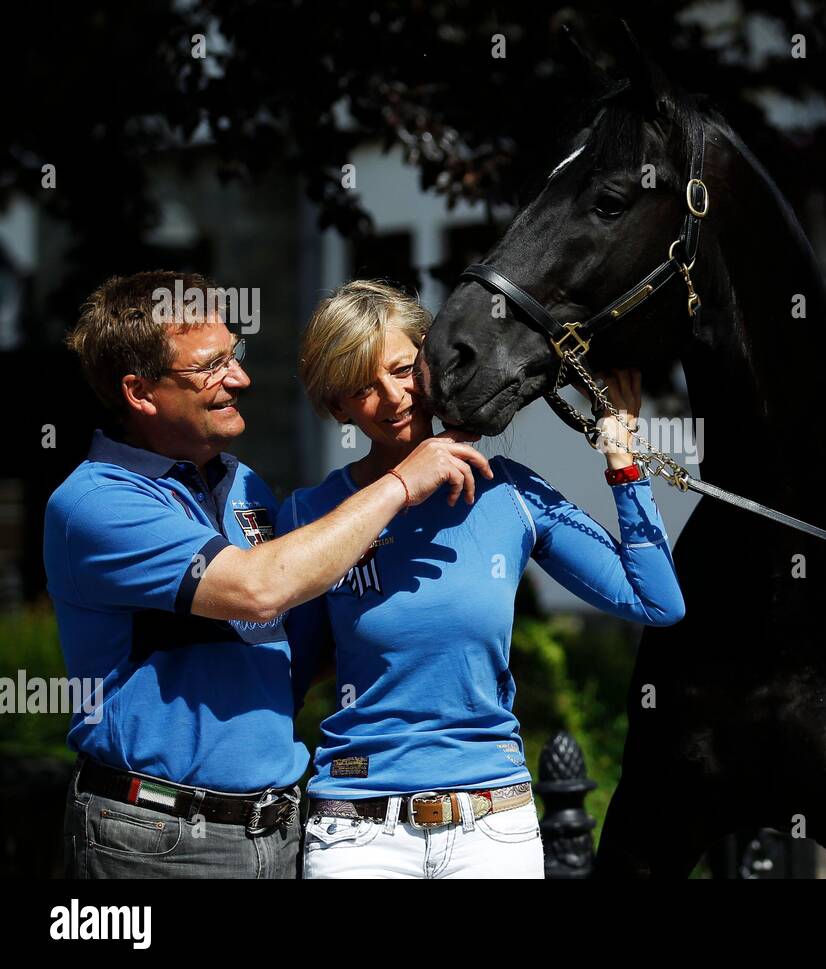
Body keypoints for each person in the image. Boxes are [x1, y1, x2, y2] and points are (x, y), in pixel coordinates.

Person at [47, 271, 487, 878]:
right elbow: (258, 590)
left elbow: (295, 639)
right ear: (139, 392)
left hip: (276, 828)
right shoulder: (95, 503)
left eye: (235, 356)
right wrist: (403, 482)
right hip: (155, 838)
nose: (240, 379)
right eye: (209, 367)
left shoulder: (246, 485)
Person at [282, 280, 686, 879]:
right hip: (357, 830)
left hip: (492, 827)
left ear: (433, 360)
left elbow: (656, 600)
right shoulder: (312, 514)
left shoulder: (512, 493)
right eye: (362, 387)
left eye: (401, 369)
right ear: (338, 407)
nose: (393, 397)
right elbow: (291, 672)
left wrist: (623, 460)